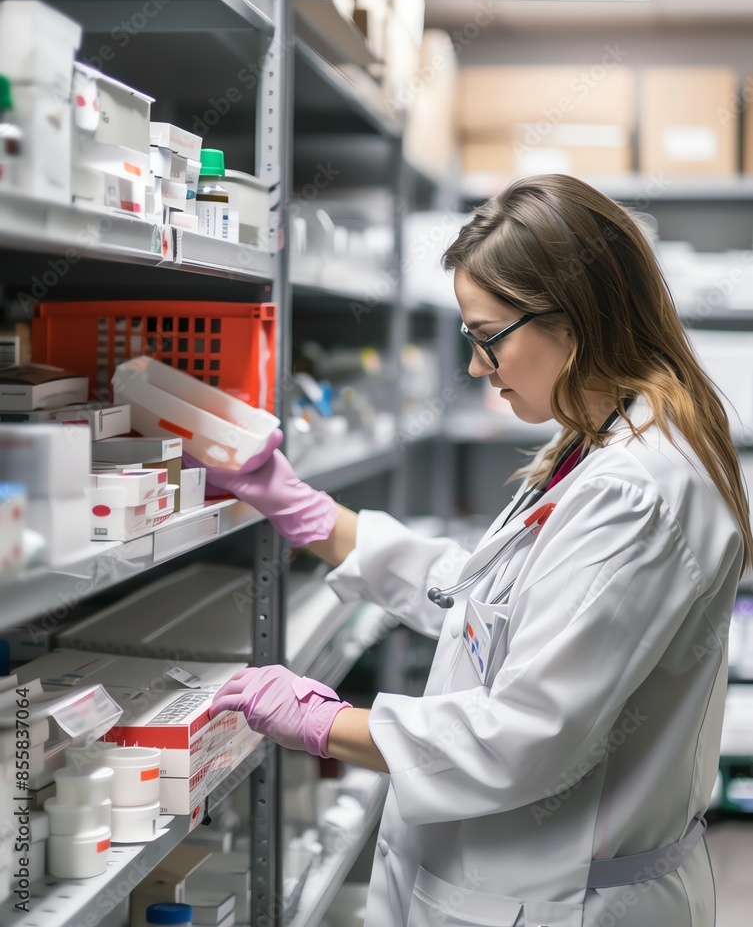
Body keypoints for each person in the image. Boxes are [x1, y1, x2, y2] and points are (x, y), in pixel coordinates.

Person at [206, 173, 752, 927]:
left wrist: (324, 723)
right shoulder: (597, 446)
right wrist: (306, 513)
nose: (474, 367)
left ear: (575, 320)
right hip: (522, 878)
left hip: (569, 897)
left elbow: (523, 736)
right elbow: (484, 603)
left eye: (484, 337)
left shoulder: (633, 490)